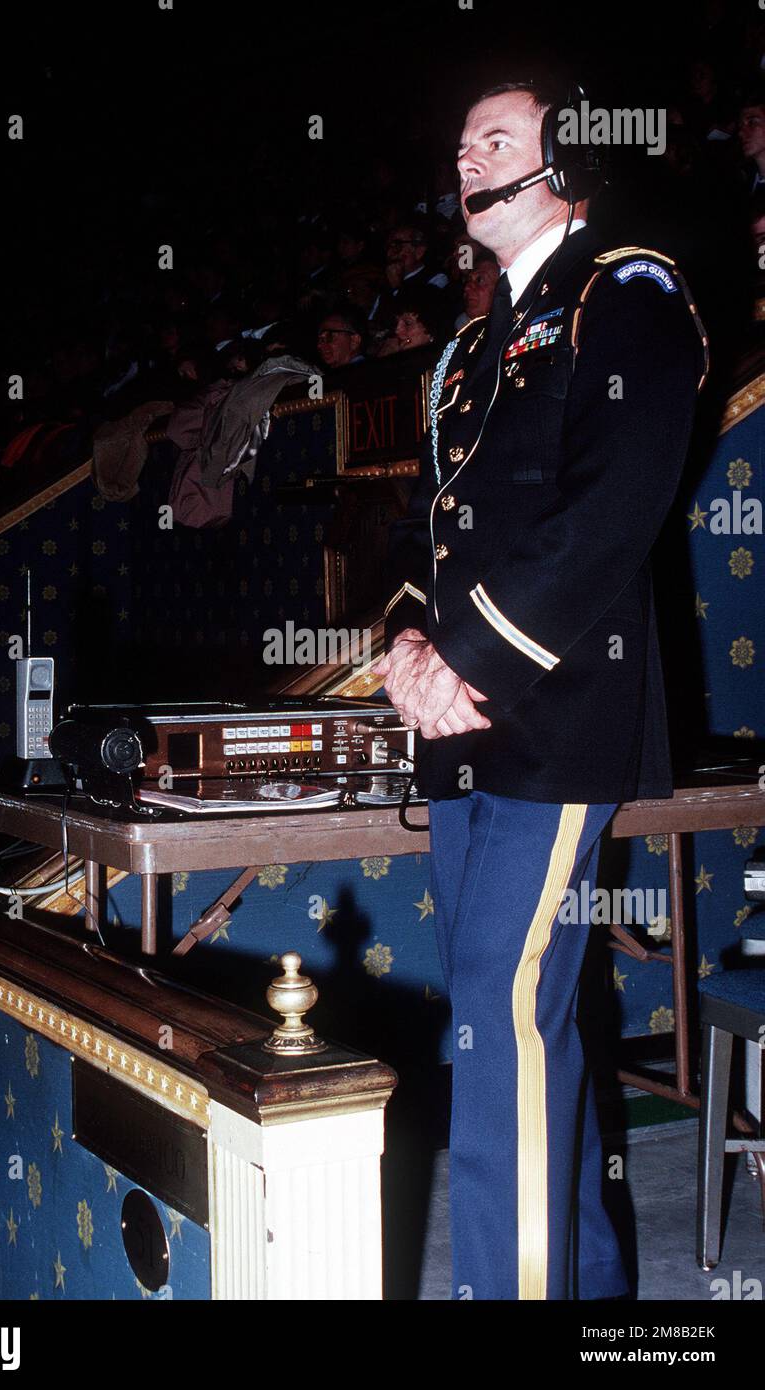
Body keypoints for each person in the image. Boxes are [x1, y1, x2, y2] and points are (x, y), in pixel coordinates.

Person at [375, 76, 708, 1302]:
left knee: (496, 1011)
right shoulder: (467, 352)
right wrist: (406, 654)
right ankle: (590, 1293)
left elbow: (612, 508)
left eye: (496, 139)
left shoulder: (625, 293)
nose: (467, 159)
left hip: (553, 715)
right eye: (460, 142)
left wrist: (464, 659)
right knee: (521, 1019)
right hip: (458, 724)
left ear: (559, 160)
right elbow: (427, 537)